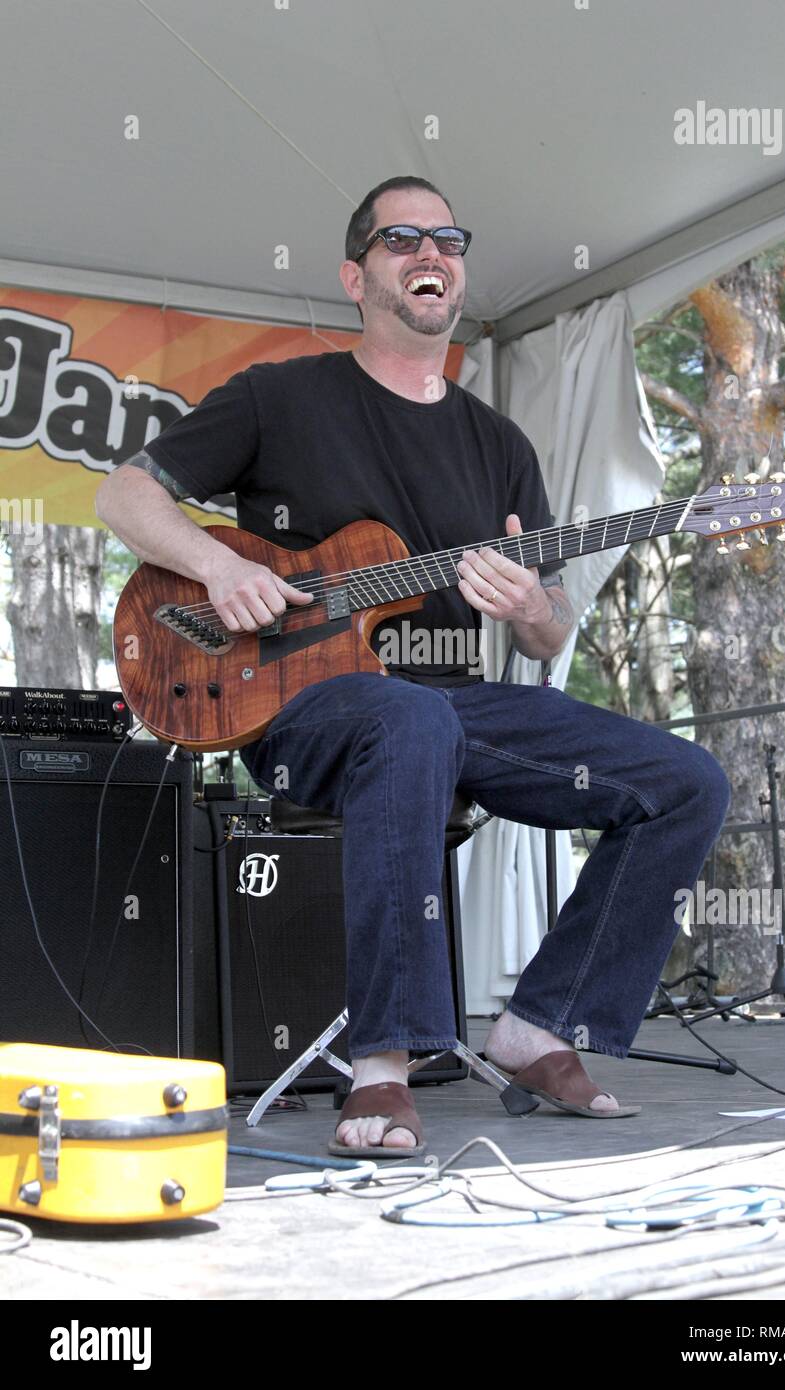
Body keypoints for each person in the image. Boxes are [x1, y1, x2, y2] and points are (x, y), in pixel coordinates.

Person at [95, 175, 731, 1158]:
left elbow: (548, 632)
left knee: (685, 781)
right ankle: (382, 1064)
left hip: (461, 705)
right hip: (303, 705)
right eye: (401, 239)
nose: (429, 252)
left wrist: (531, 607)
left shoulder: (499, 445)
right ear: (357, 276)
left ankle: (539, 1024)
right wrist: (220, 568)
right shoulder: (280, 397)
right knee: (408, 720)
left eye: (446, 239)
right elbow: (125, 498)